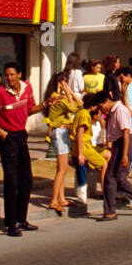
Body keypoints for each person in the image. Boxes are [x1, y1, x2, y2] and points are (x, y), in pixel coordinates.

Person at [0, 61, 38, 236]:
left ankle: (22, 219)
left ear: (19, 75)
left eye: (12, 74)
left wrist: (45, 105)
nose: (9, 78)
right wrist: (0, 131)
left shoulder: (27, 88)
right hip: (8, 138)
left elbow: (30, 109)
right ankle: (10, 223)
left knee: (26, 179)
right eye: (6, 75)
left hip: (21, 135)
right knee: (11, 180)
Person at [96, 91, 132, 220]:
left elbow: (126, 132)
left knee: (118, 178)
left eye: (101, 106)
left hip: (124, 144)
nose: (101, 110)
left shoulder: (120, 110)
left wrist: (125, 155)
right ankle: (111, 211)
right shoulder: (112, 112)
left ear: (106, 101)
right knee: (111, 177)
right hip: (117, 144)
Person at [39, 72, 79, 215]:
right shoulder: (56, 97)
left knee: (62, 168)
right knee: (62, 169)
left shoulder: (60, 96)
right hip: (60, 132)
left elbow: (80, 104)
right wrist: (68, 93)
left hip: (63, 133)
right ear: (59, 83)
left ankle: (61, 198)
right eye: (65, 83)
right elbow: (74, 108)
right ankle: (54, 200)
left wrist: (70, 92)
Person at [72, 97, 109, 207]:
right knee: (104, 163)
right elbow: (80, 133)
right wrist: (80, 153)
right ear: (92, 106)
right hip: (84, 146)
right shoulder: (85, 115)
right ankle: (105, 191)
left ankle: (82, 195)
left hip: (80, 146)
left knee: (82, 169)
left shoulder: (80, 112)